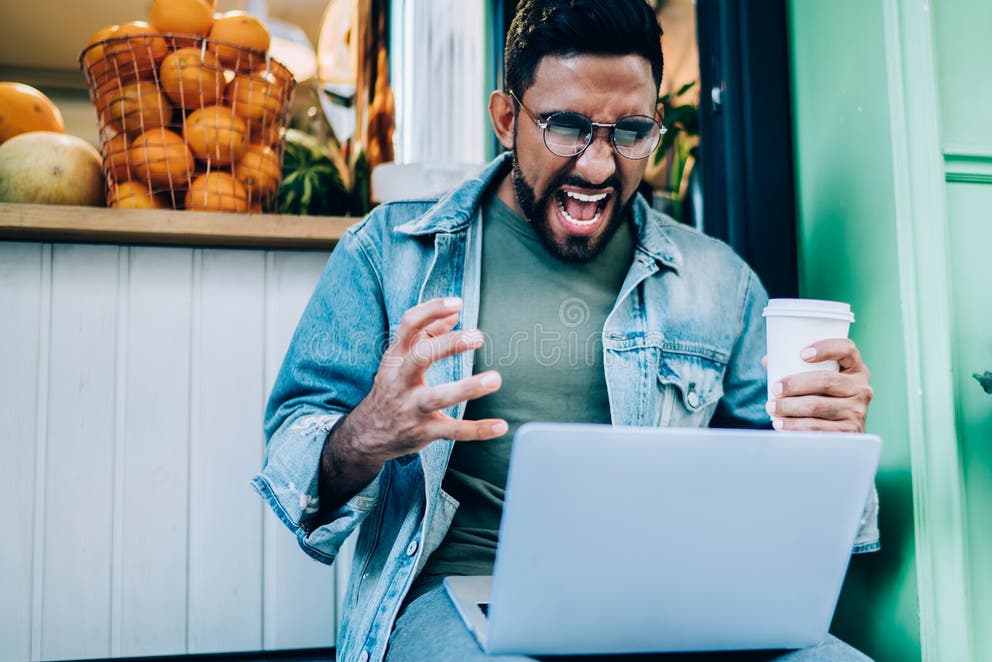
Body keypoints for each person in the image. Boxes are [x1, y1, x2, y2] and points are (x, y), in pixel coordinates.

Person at [253, 1, 877, 660]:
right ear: (505, 118)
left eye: (630, 131)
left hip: (666, 603)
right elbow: (292, 469)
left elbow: (788, 508)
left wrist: (828, 443)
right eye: (567, 126)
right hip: (459, 600)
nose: (599, 166)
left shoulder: (718, 281)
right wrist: (367, 430)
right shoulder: (392, 252)